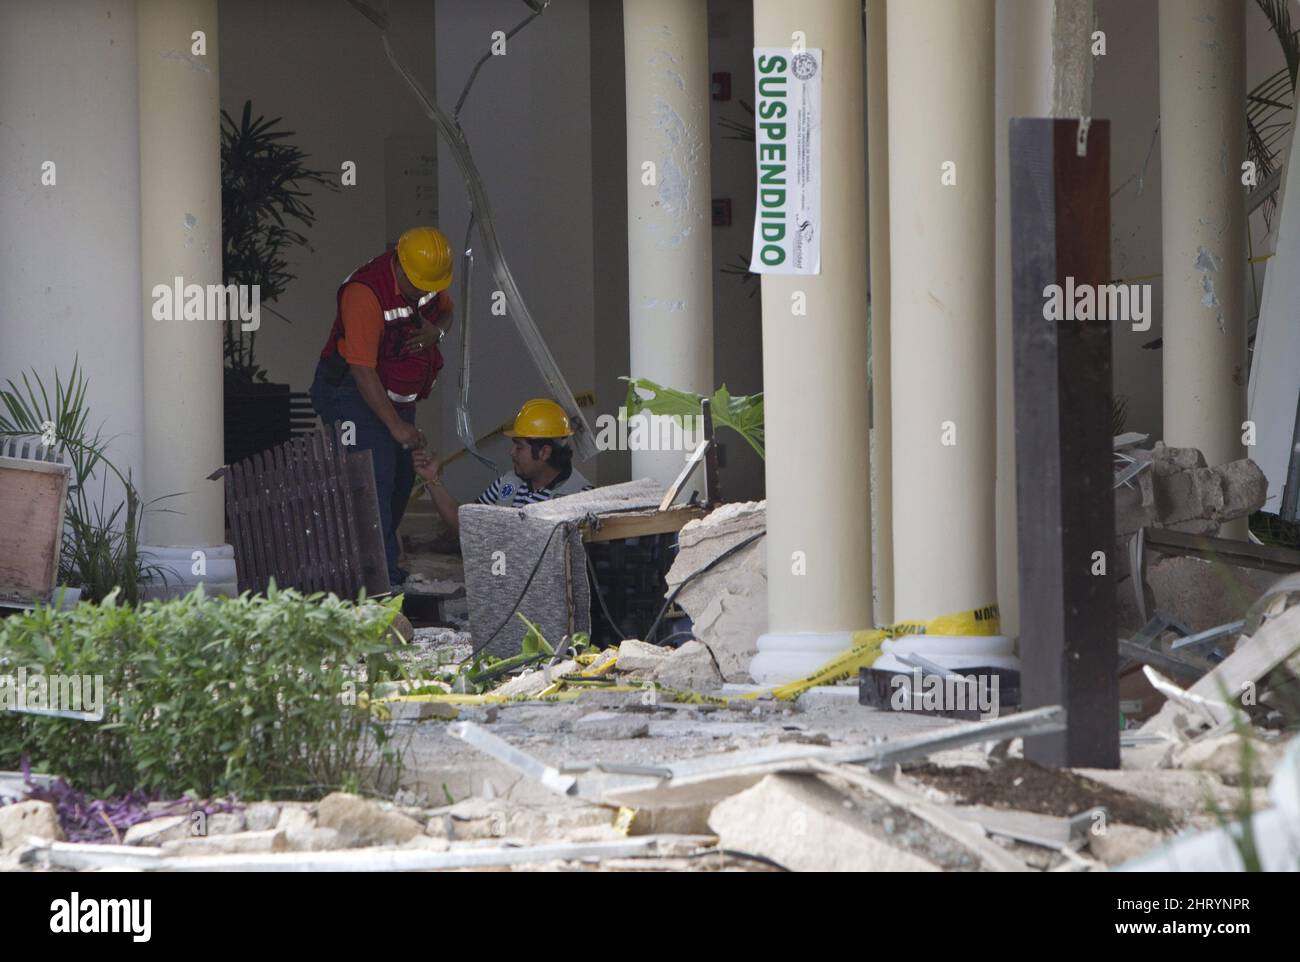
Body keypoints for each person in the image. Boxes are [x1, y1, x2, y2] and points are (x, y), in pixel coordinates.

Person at [310, 226, 454, 587]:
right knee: (373, 481)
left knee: (402, 479)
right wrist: (395, 426)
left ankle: (378, 566)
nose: (424, 291)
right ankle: (375, 582)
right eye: (418, 284)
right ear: (400, 267)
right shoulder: (365, 293)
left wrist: (437, 332)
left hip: (396, 393)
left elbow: (447, 312)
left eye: (430, 285)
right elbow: (362, 369)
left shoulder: (428, 280)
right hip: (352, 390)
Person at [415, 398, 592, 532]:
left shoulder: (581, 497)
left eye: (519, 446)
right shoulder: (507, 484)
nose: (512, 452)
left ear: (544, 452)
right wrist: (432, 480)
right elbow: (465, 523)